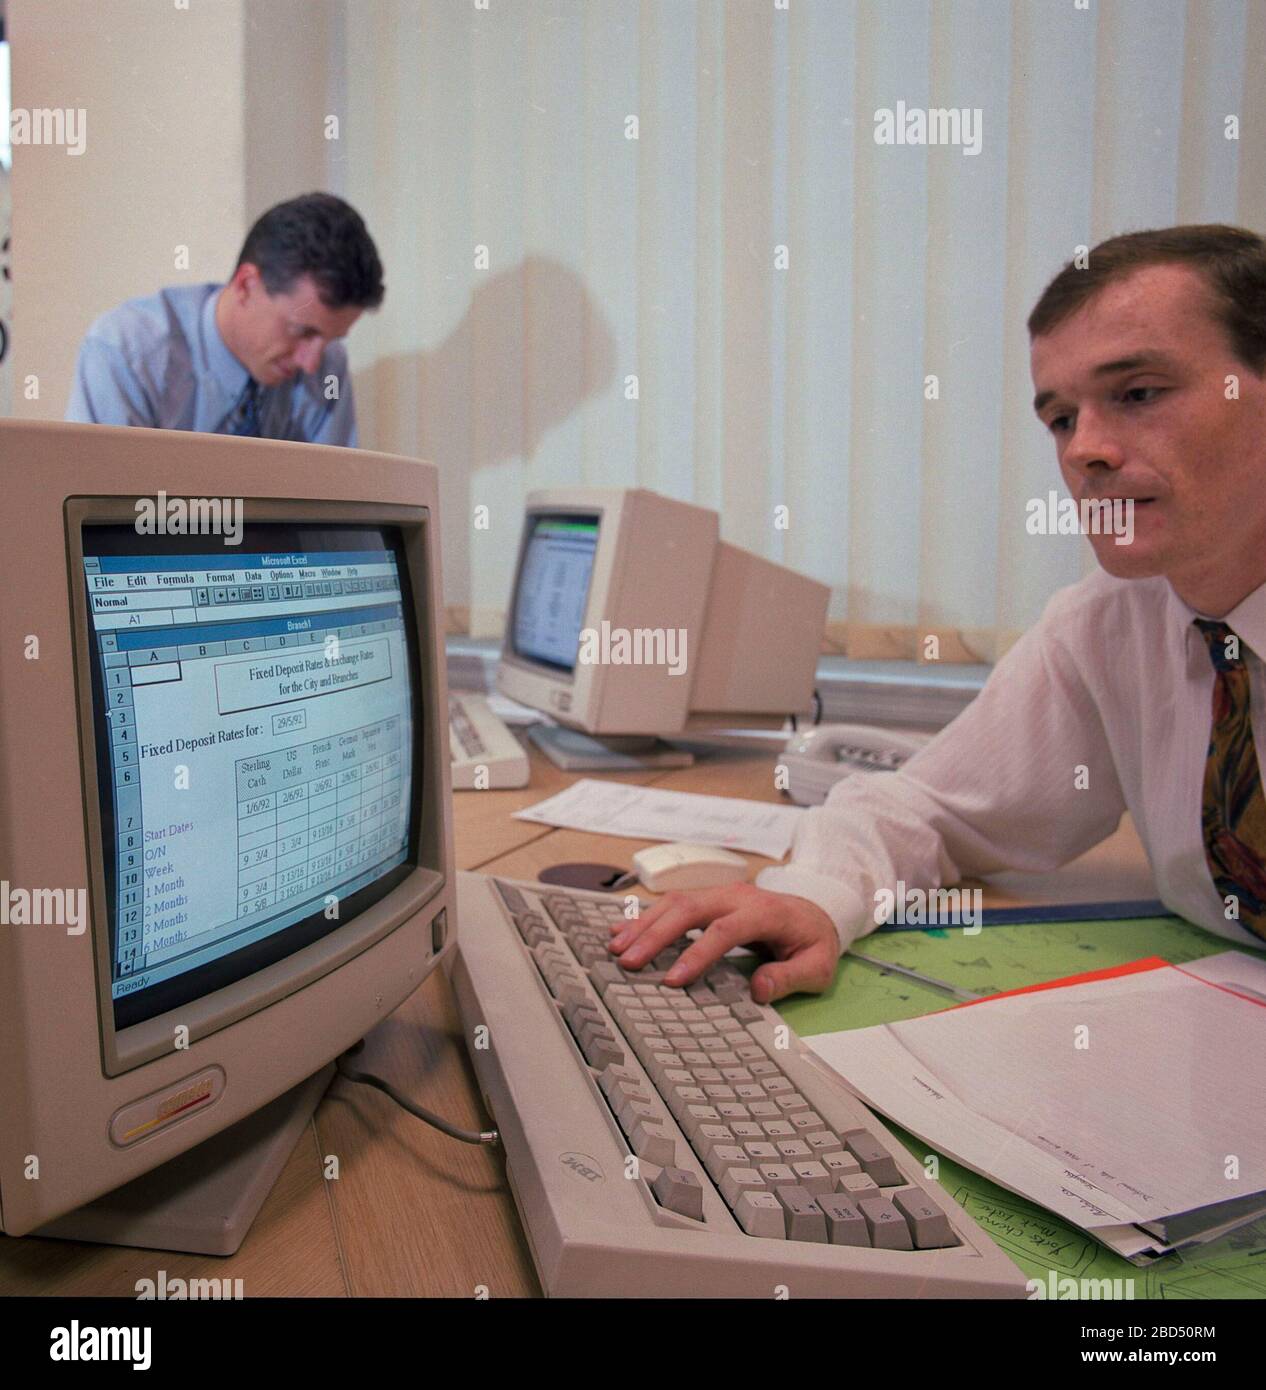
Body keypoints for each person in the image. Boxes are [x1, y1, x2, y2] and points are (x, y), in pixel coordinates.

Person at [612, 223, 1266, 1003]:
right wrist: (816, 895)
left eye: (1138, 394)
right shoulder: (1109, 626)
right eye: (1061, 417)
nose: (1083, 450)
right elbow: (923, 807)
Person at [66, 192, 383, 445]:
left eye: (329, 341)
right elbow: (99, 515)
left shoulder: (327, 367)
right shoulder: (128, 353)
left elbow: (328, 514)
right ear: (246, 285)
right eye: (301, 331)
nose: (311, 362)